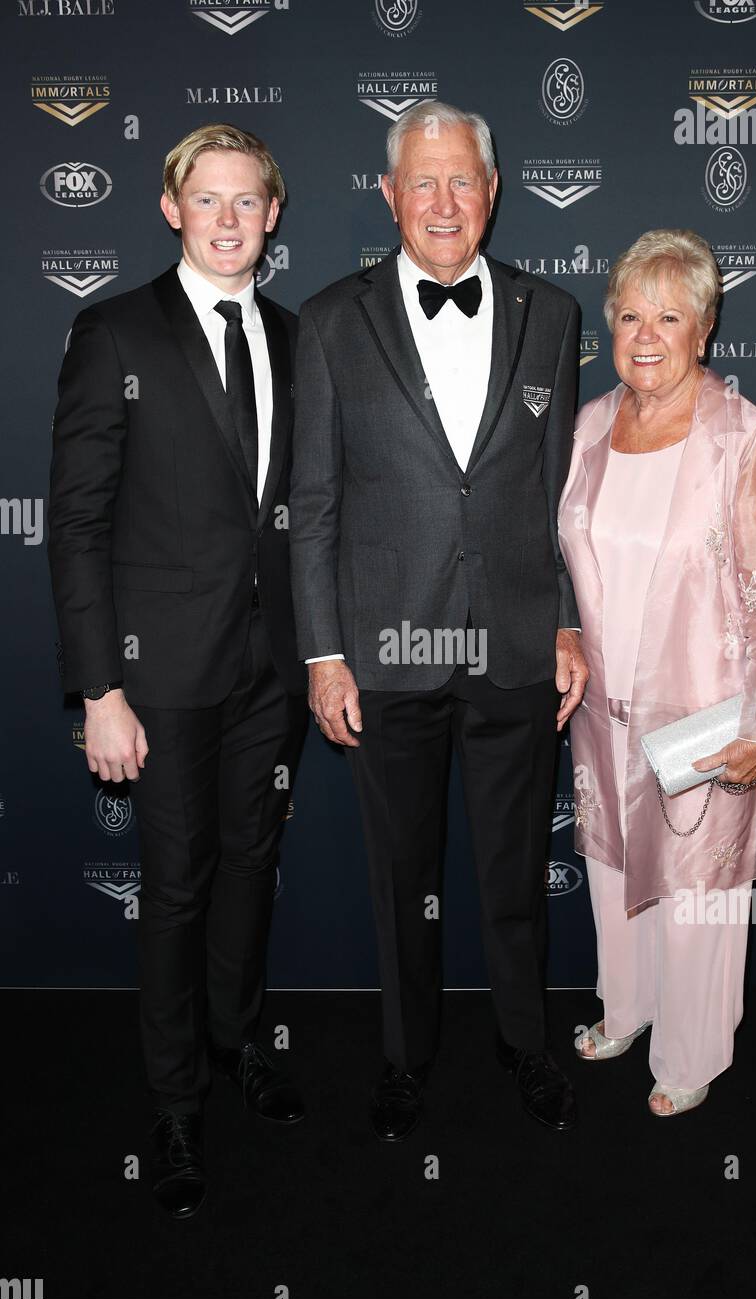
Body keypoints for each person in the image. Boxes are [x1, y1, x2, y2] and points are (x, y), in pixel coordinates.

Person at [290, 100, 588, 1141]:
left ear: (494, 190)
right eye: (423, 181)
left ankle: (524, 1043)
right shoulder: (330, 320)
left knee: (513, 873)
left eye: (462, 178)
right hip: (388, 649)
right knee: (399, 876)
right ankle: (406, 1057)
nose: (444, 201)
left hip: (511, 641)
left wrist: (564, 621)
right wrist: (324, 654)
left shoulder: (552, 315)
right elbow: (313, 505)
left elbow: (559, 498)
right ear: (388, 194)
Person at [48, 124, 308, 1218]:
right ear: (171, 209)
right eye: (207, 200)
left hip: (271, 667)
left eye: (246, 200)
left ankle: (235, 1035)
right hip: (156, 672)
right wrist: (99, 688)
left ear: (273, 214)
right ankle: (173, 1102)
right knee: (176, 885)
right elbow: (78, 523)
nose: (228, 219)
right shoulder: (113, 331)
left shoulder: (298, 339)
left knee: (251, 862)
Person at [557, 228, 756, 1116]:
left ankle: (691, 1054)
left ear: (705, 329)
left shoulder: (746, 439)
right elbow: (568, 562)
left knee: (700, 889)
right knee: (609, 868)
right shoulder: (589, 427)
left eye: (669, 315)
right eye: (630, 314)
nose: (645, 334)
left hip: (706, 718)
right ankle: (625, 1010)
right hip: (604, 711)